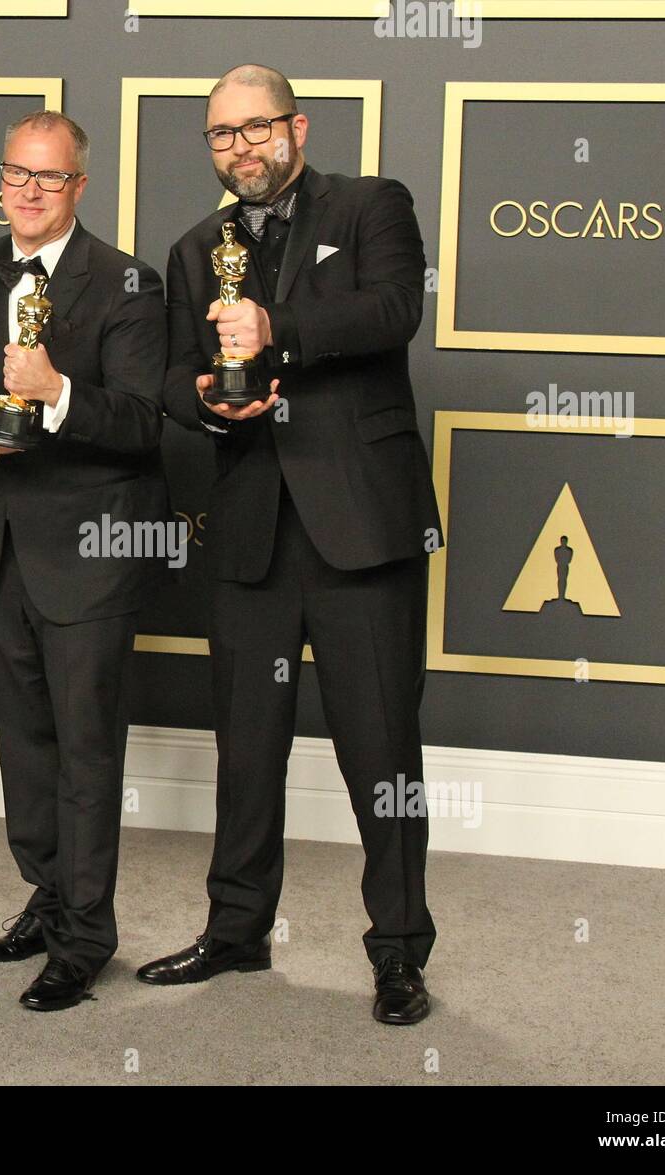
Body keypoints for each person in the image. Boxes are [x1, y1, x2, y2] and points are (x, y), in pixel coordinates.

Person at [138, 65, 443, 1025]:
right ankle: (236, 932)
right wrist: (208, 400)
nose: (241, 149)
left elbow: (396, 310)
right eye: (221, 136)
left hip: (361, 529)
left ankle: (398, 952)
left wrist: (280, 332)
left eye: (255, 128)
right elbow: (183, 375)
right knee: (246, 749)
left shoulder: (371, 205)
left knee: (382, 756)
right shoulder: (196, 249)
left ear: (296, 126)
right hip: (251, 534)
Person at [0, 110, 170, 1012]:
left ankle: (87, 935)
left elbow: (145, 423)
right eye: (16, 176)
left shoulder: (127, 282)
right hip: (1, 542)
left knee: (84, 749)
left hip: (92, 550)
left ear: (79, 187)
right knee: (25, 744)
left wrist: (58, 393)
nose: (29, 192)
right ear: (1, 179)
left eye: (49, 178)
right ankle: (48, 894)